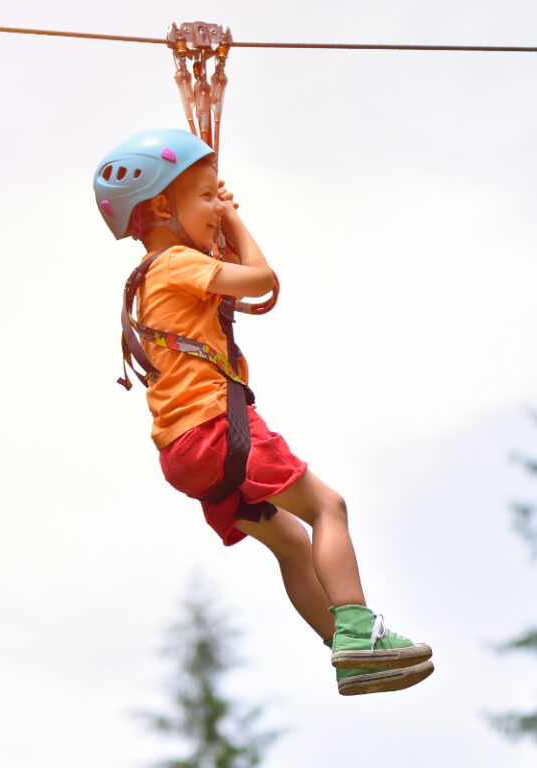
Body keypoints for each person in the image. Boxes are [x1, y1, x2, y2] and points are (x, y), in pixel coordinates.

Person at [95, 128, 434, 696]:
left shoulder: (156, 276)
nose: (215, 203)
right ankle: (358, 633)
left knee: (291, 545)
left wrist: (213, 219)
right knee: (328, 507)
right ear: (159, 207)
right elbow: (261, 279)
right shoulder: (174, 263)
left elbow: (231, 291)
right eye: (202, 195)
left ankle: (344, 649)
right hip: (216, 429)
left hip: (185, 452)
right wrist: (233, 221)